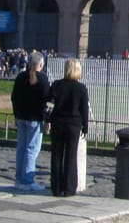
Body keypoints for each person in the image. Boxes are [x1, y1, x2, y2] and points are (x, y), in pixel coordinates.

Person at [47, 58, 89, 197]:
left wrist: (47, 120)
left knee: (57, 155)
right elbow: (84, 110)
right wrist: (85, 127)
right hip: (74, 125)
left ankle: (56, 187)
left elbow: (49, 105)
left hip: (58, 123)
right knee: (71, 157)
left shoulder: (56, 85)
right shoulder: (81, 88)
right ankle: (70, 188)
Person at [10, 51, 49, 191]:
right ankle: (27, 180)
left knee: (21, 148)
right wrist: (47, 120)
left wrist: (15, 115)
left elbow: (14, 97)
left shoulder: (20, 77)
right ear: (41, 64)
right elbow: (46, 103)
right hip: (35, 119)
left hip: (21, 116)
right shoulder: (43, 79)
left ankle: (19, 179)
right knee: (32, 149)